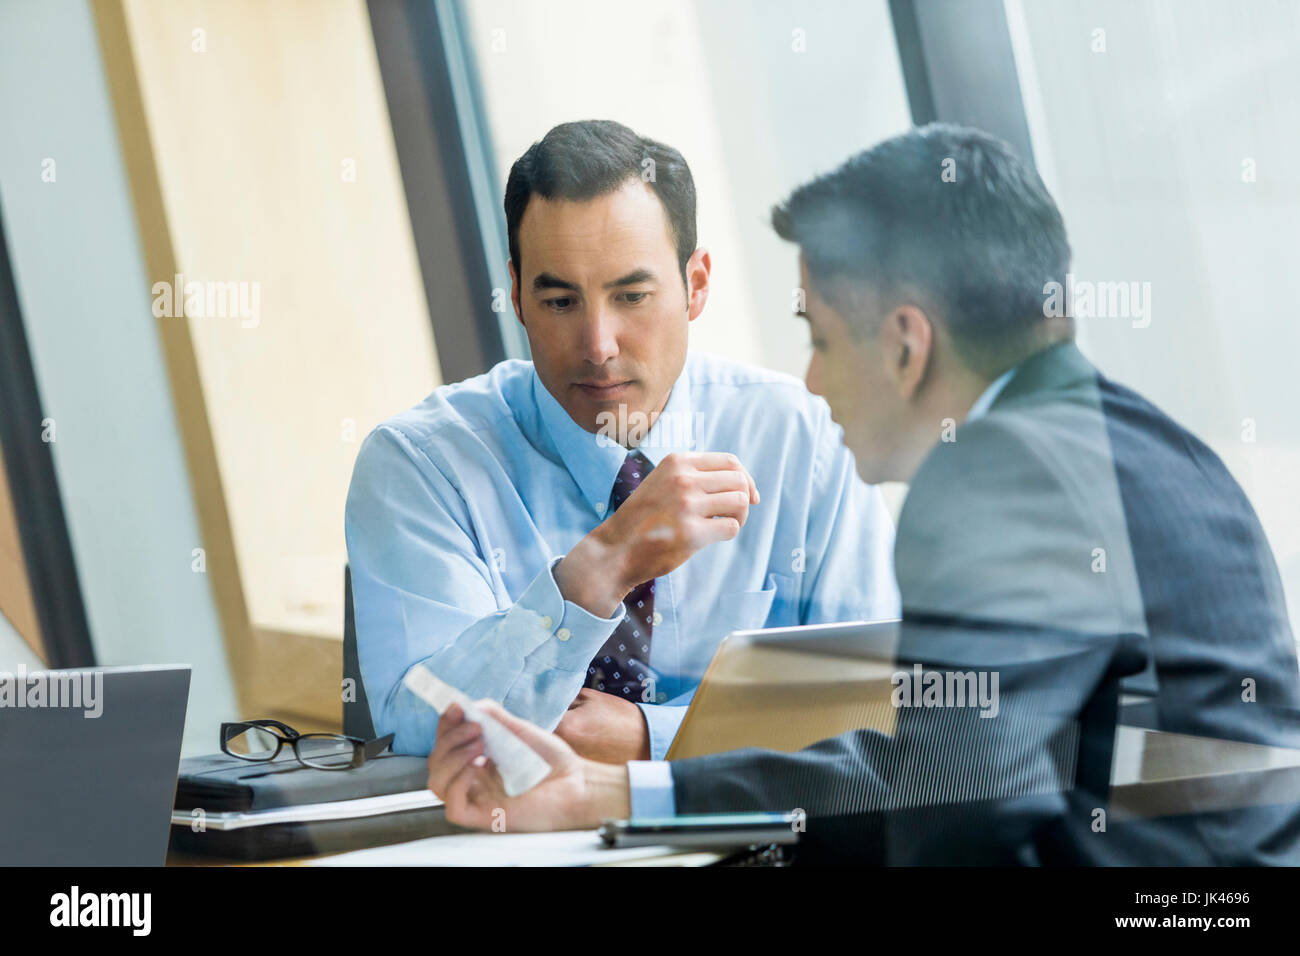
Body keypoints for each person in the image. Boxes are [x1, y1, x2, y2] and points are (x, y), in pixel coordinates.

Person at [425, 124, 1300, 864]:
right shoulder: (1144, 442)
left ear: (907, 345)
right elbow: (969, 764)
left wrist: (612, 793)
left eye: (821, 334)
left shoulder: (994, 475)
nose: (811, 378)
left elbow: (947, 798)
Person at [344, 119, 899, 766]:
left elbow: (875, 707)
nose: (598, 345)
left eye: (631, 295)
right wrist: (604, 565)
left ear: (696, 286)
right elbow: (423, 729)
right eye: (559, 302)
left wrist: (647, 738)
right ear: (517, 295)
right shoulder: (421, 465)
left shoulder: (801, 440)